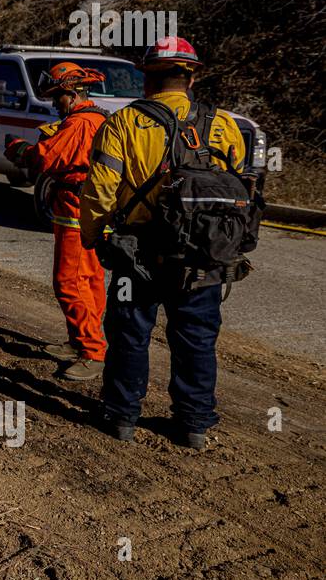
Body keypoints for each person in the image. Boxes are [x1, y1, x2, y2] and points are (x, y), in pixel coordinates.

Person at [80, 37, 249, 449]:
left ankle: (121, 416)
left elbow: (100, 190)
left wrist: (93, 235)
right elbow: (238, 189)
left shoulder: (122, 123)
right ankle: (193, 423)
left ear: (146, 77)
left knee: (129, 334)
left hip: (137, 253)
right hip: (204, 256)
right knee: (197, 337)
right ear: (193, 75)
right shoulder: (225, 126)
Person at [4, 62, 111, 380]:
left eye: (57, 97)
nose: (54, 103)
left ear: (73, 94)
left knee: (68, 282)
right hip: (91, 213)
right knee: (90, 281)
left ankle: (91, 351)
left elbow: (46, 158)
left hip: (75, 214)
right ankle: (81, 341)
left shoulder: (79, 124)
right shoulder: (97, 119)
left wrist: (20, 150)